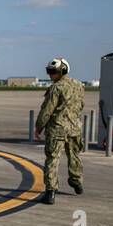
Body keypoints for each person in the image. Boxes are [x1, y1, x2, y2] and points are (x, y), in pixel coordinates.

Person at [34, 57, 84, 204]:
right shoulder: (79, 85)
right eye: (48, 71)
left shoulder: (56, 88)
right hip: (75, 128)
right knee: (74, 156)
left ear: (62, 71)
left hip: (57, 129)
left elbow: (47, 110)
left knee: (52, 160)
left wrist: (39, 127)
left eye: (53, 72)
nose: (50, 75)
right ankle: (76, 181)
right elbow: (80, 105)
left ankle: (50, 192)